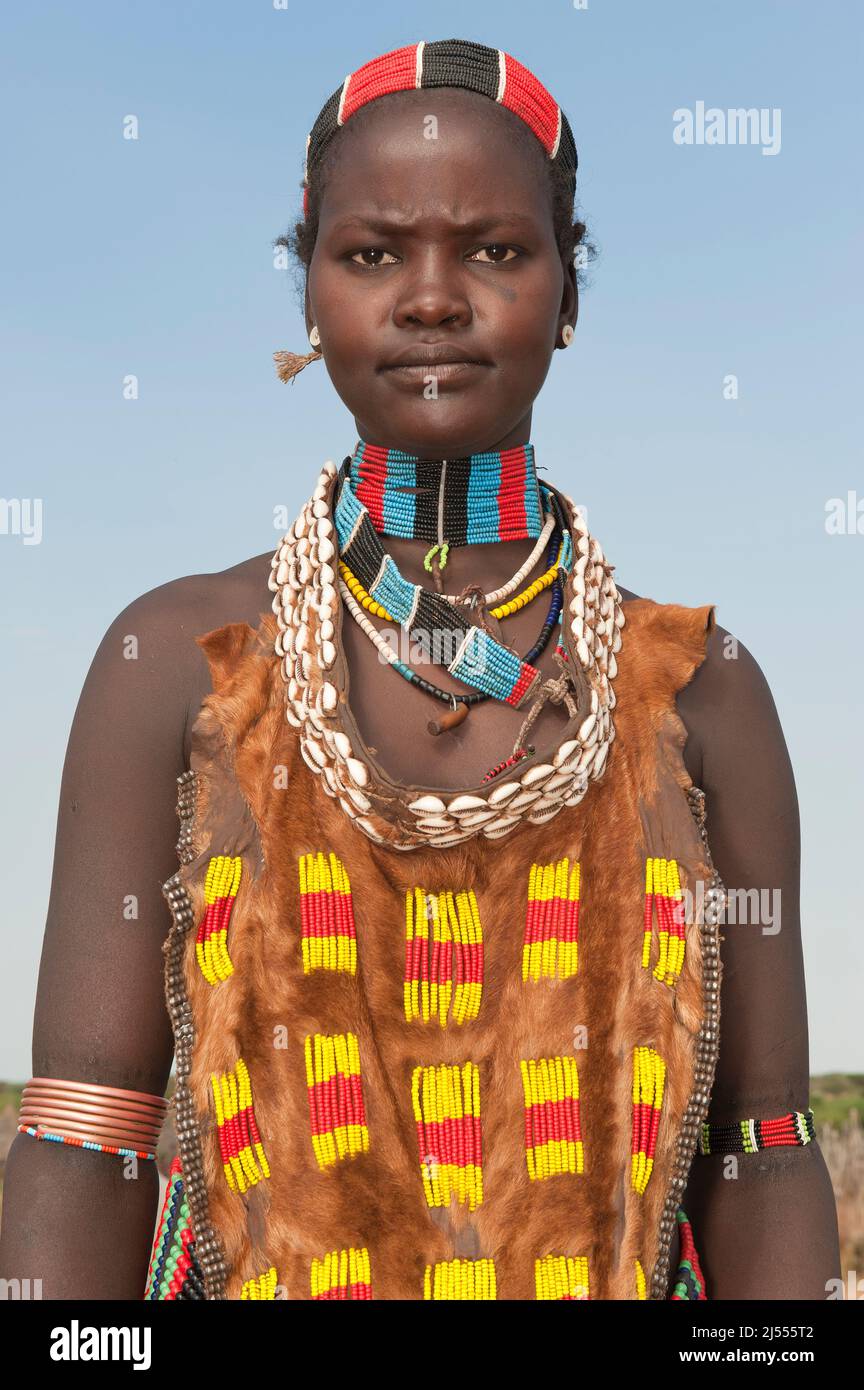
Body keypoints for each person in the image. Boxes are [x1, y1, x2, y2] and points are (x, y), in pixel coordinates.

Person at [0, 38, 839, 1301]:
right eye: (374, 253)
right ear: (309, 296)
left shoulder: (701, 686)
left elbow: (761, 1149)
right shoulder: (174, 663)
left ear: (569, 293)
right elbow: (84, 1132)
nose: (432, 299)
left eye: (496, 252)